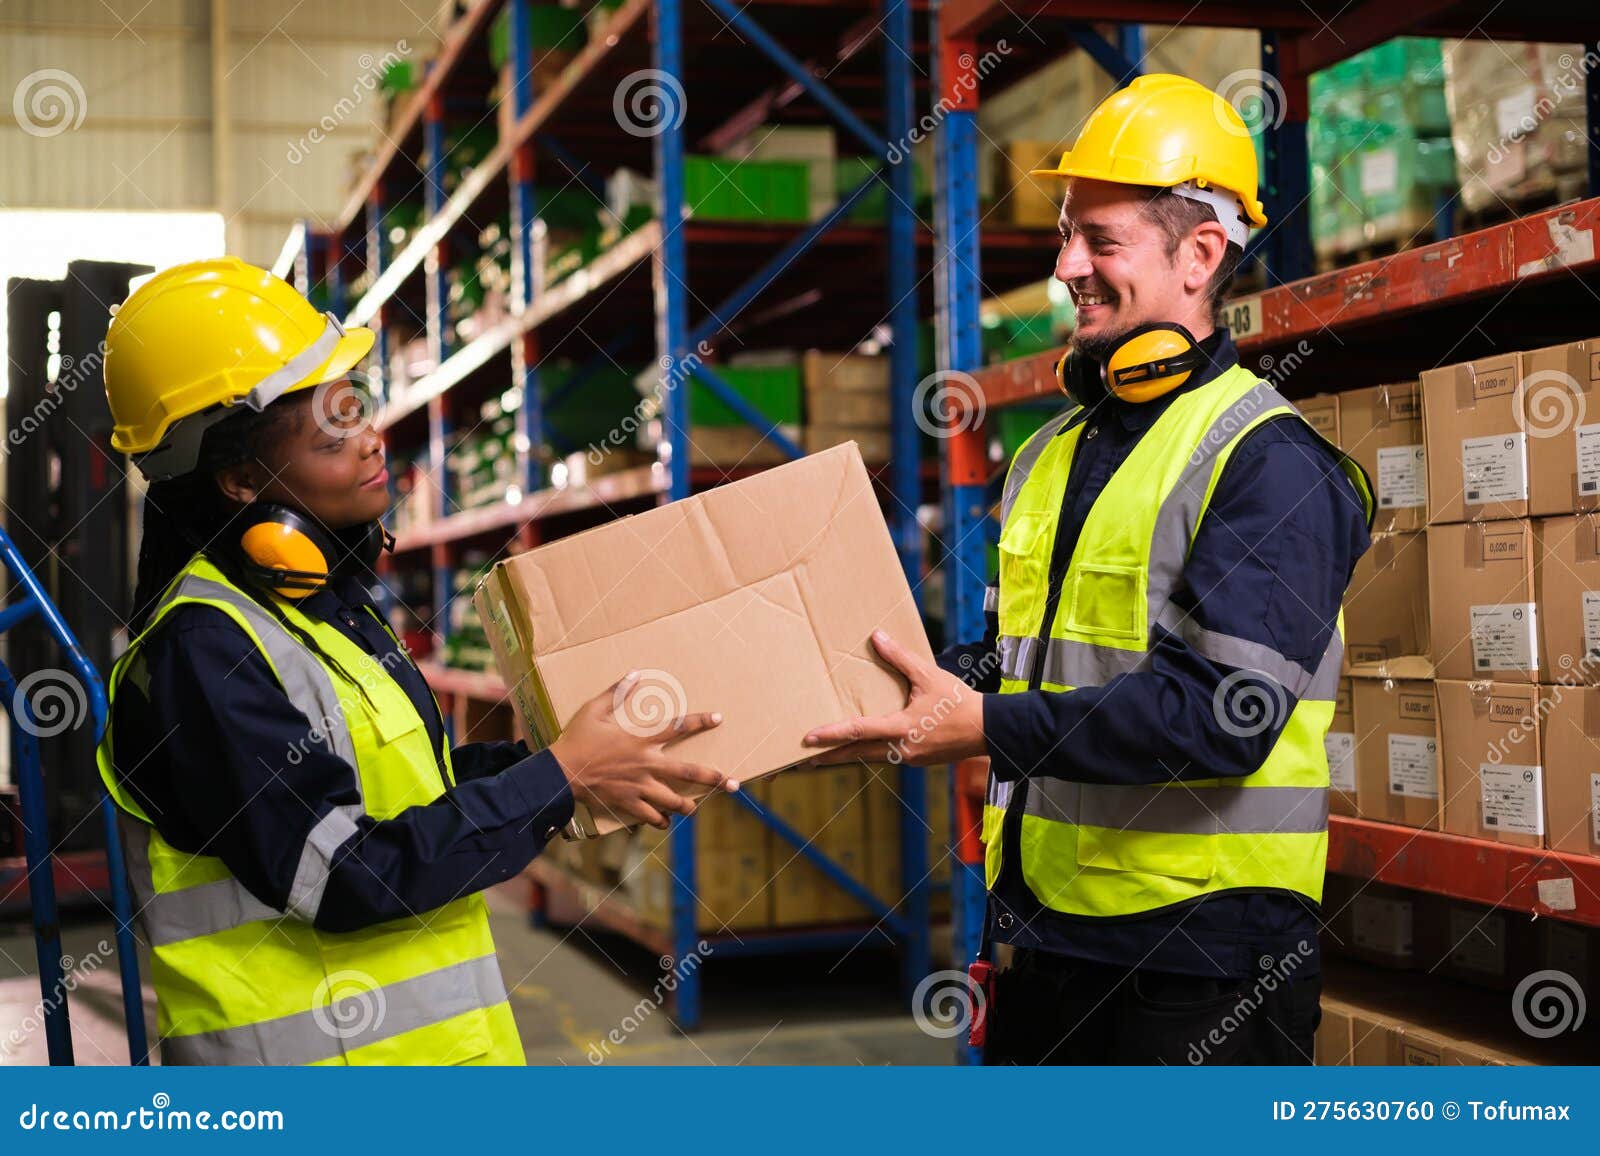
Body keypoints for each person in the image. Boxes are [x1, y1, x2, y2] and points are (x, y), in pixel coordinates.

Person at [803, 74, 1374, 1064]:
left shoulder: (1270, 463)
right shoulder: (1048, 456)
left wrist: (980, 725)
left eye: (1101, 241)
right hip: (1048, 939)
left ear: (1200, 255)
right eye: (1067, 235)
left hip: (1204, 967)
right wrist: (895, 689)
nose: (1067, 265)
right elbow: (1019, 660)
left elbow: (1222, 714)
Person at [95, 257, 733, 1065]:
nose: (371, 440)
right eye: (332, 433)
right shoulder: (201, 652)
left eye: (354, 406)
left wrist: (559, 761)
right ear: (241, 479)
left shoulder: (324, 607)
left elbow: (406, 793)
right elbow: (343, 874)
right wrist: (558, 778)